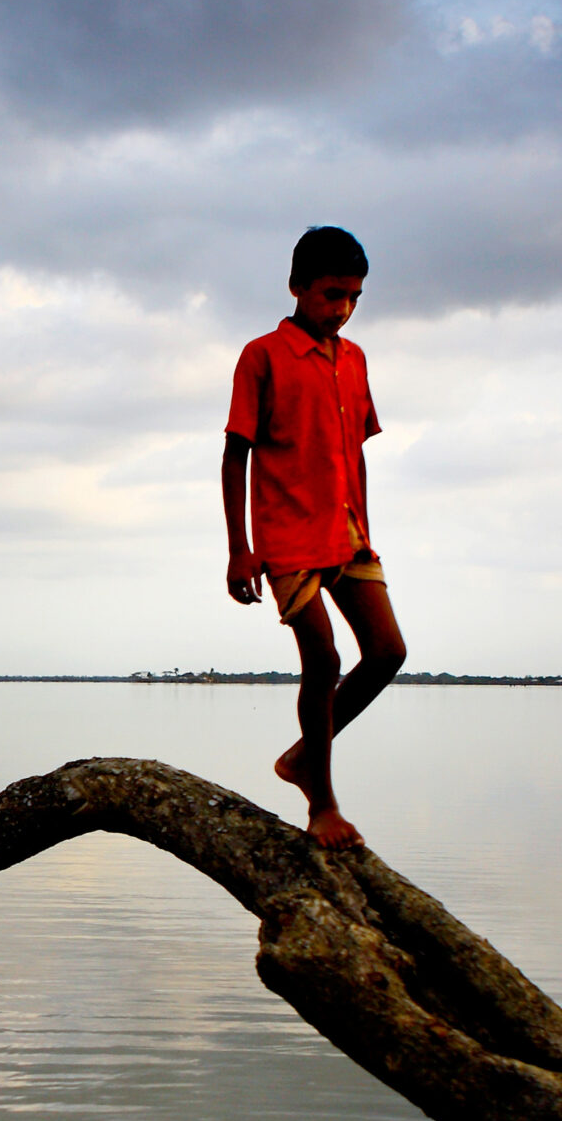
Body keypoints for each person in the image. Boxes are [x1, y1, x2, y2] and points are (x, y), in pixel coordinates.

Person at [221, 224, 407, 850]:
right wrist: (239, 548)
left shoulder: (354, 360)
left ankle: (304, 755)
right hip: (287, 535)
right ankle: (322, 804)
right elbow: (236, 454)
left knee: (387, 652)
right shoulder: (262, 356)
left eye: (354, 297)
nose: (342, 309)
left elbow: (356, 452)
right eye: (331, 294)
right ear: (297, 287)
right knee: (323, 658)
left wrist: (364, 529)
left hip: (346, 532)